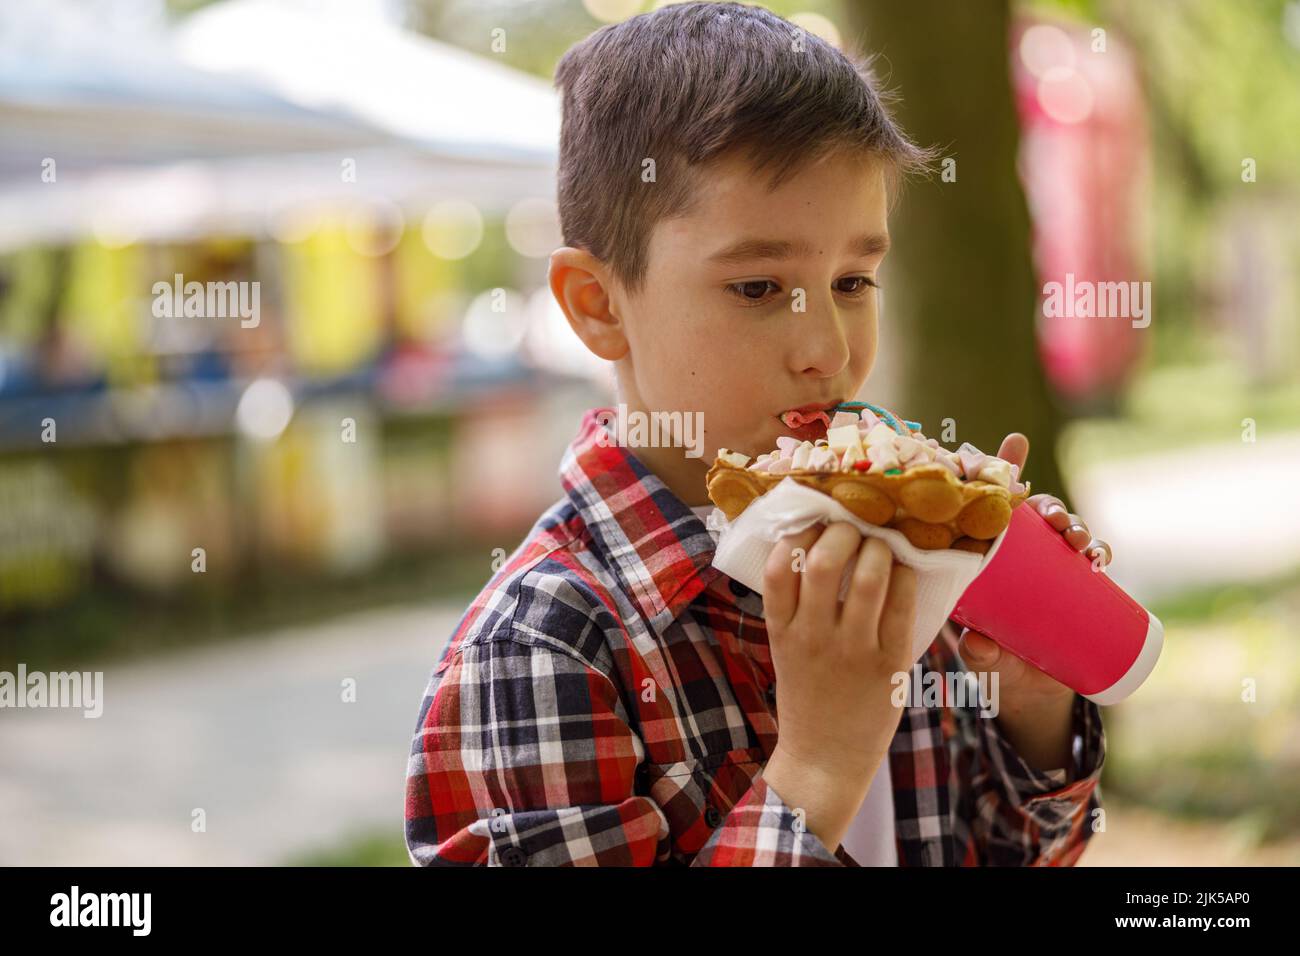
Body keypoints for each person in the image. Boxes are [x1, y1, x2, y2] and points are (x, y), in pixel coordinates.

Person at [405, 1, 1106, 866]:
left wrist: (1034, 707)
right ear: (598, 305)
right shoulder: (542, 650)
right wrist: (819, 764)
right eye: (758, 289)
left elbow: (1007, 850)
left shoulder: (896, 559)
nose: (828, 350)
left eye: (853, 279)